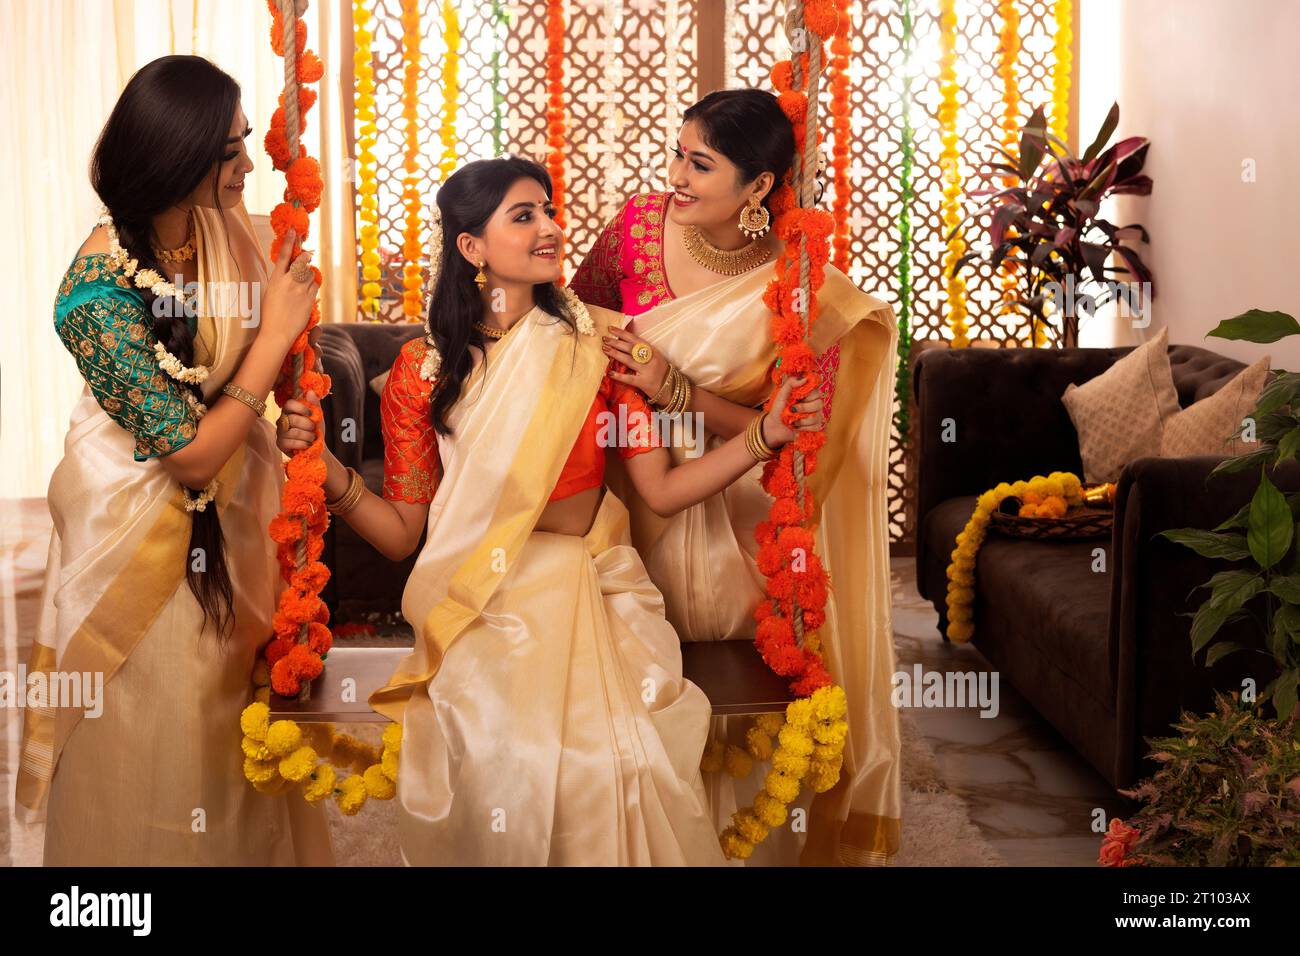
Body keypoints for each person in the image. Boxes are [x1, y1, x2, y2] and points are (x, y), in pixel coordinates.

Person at [276, 156, 819, 865]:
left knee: (618, 769)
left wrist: (764, 435)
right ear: (472, 247)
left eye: (549, 211)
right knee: (502, 759)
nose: (552, 228)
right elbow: (403, 533)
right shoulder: (424, 371)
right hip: (475, 598)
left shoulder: (601, 346)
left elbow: (661, 489)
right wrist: (330, 471)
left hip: (585, 585)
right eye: (525, 216)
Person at [570, 88, 902, 866]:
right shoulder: (636, 227)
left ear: (758, 187)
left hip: (741, 499)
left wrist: (677, 389)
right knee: (639, 680)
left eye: (701, 164)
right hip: (630, 485)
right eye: (678, 153)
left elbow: (795, 433)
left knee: (736, 693)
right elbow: (574, 333)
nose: (676, 176)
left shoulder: (798, 285)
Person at [17, 55, 332, 865]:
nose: (251, 166)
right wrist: (270, 346)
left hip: (238, 517)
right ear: (177, 155)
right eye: (231, 153)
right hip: (136, 534)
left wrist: (282, 416)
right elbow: (188, 455)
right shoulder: (94, 295)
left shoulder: (219, 231)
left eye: (247, 144)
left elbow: (231, 394)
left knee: (234, 730)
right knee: (162, 724)